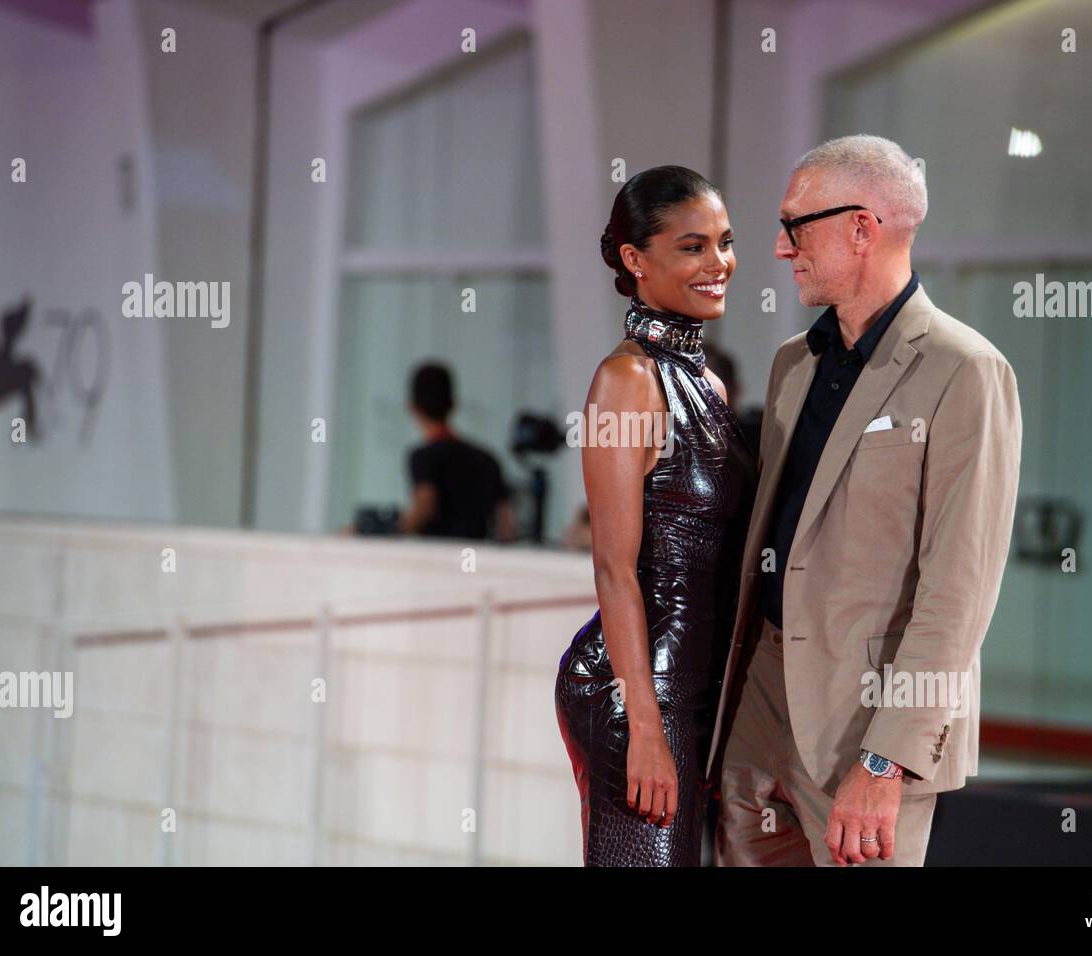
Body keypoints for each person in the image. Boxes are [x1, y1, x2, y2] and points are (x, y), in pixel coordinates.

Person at [708, 135, 1022, 867]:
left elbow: (958, 594)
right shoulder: (794, 361)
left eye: (796, 224)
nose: (782, 249)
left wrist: (887, 763)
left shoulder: (966, 371)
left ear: (862, 226)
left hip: (866, 723)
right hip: (757, 705)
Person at [555, 166, 756, 866]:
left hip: (693, 690)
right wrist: (644, 722)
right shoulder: (625, 381)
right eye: (693, 246)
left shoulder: (708, 379)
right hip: (632, 693)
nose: (719, 264)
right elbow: (613, 566)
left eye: (725, 243)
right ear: (636, 260)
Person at [401, 362, 515, 541]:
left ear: (413, 407)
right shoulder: (487, 458)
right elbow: (506, 524)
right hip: (475, 558)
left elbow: (425, 507)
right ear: (454, 404)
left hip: (437, 558)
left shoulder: (423, 457)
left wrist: (382, 529)